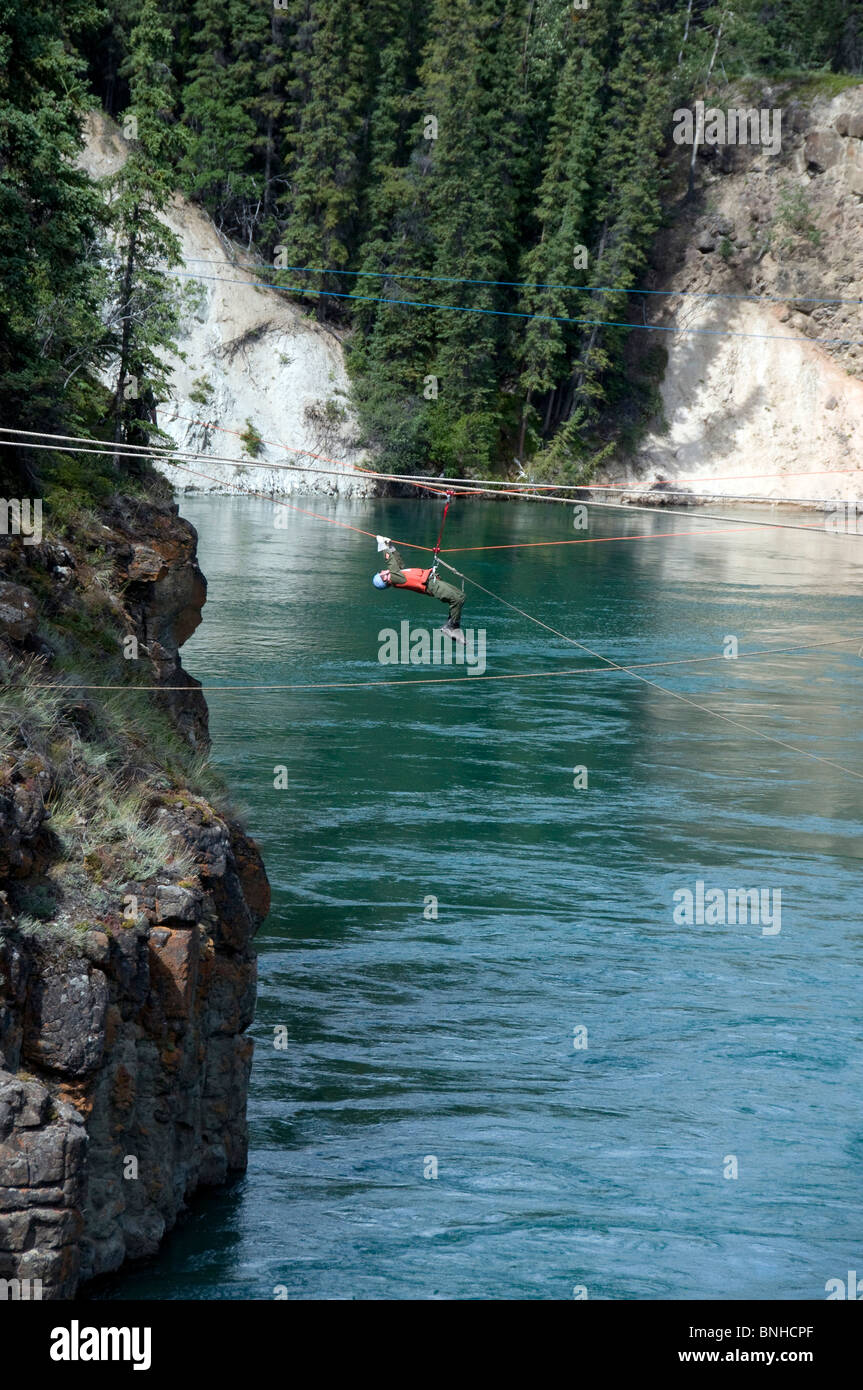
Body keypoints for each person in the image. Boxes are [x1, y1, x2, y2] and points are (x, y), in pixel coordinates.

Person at [372, 536, 465, 637]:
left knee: (461, 596)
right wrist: (381, 544)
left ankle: (451, 626)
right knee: (457, 599)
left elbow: (398, 562)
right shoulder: (395, 579)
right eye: (381, 573)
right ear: (384, 579)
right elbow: (389, 560)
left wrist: (390, 546)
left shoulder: (398, 575)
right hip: (431, 585)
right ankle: (451, 627)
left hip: (433, 580)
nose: (382, 571)